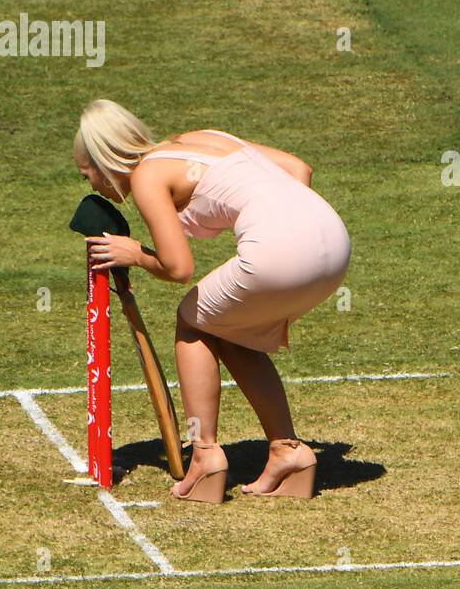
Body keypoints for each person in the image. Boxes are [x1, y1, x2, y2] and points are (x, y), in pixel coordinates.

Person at [73, 99, 351, 501]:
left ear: (104, 161)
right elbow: (298, 168)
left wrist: (135, 253)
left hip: (285, 251)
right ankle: (287, 452)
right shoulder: (203, 138)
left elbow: (177, 267)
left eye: (88, 175)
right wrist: (291, 230)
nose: (92, 186)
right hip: (334, 244)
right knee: (230, 330)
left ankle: (205, 455)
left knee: (191, 319)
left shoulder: (147, 178)